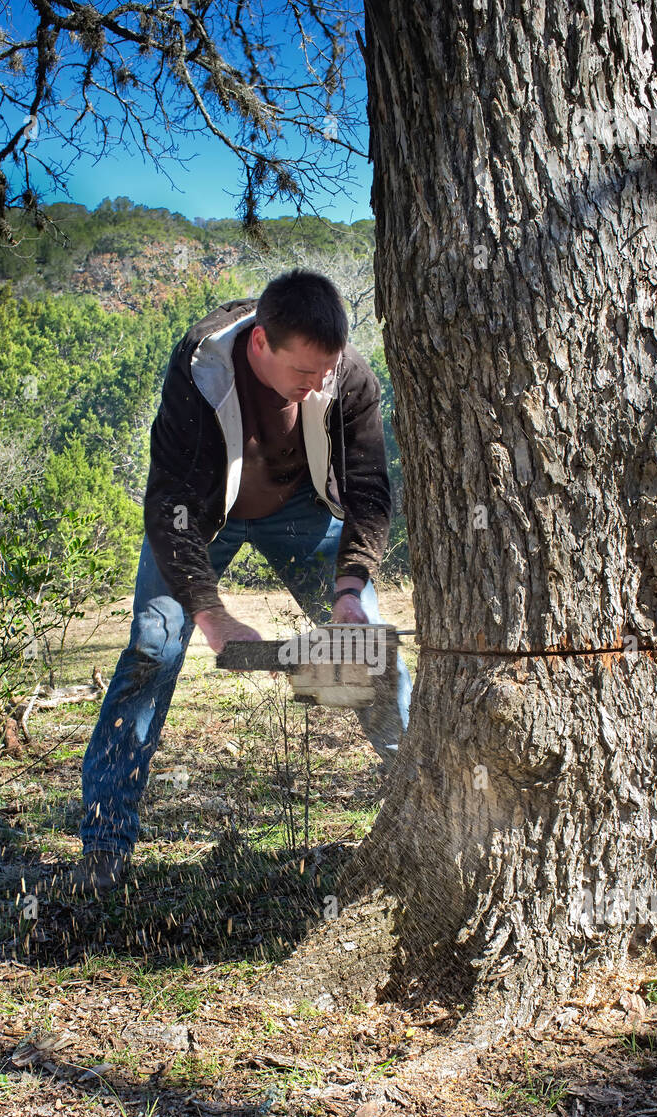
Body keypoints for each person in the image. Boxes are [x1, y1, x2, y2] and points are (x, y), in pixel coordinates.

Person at [73, 269, 412, 890]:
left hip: (304, 511)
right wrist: (210, 612)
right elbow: (168, 502)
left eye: (325, 373)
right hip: (203, 517)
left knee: (369, 647)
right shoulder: (201, 368)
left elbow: (368, 491)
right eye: (303, 374)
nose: (316, 387)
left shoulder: (347, 374)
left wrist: (348, 591)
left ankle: (420, 807)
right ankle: (103, 844)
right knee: (153, 645)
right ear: (261, 344)